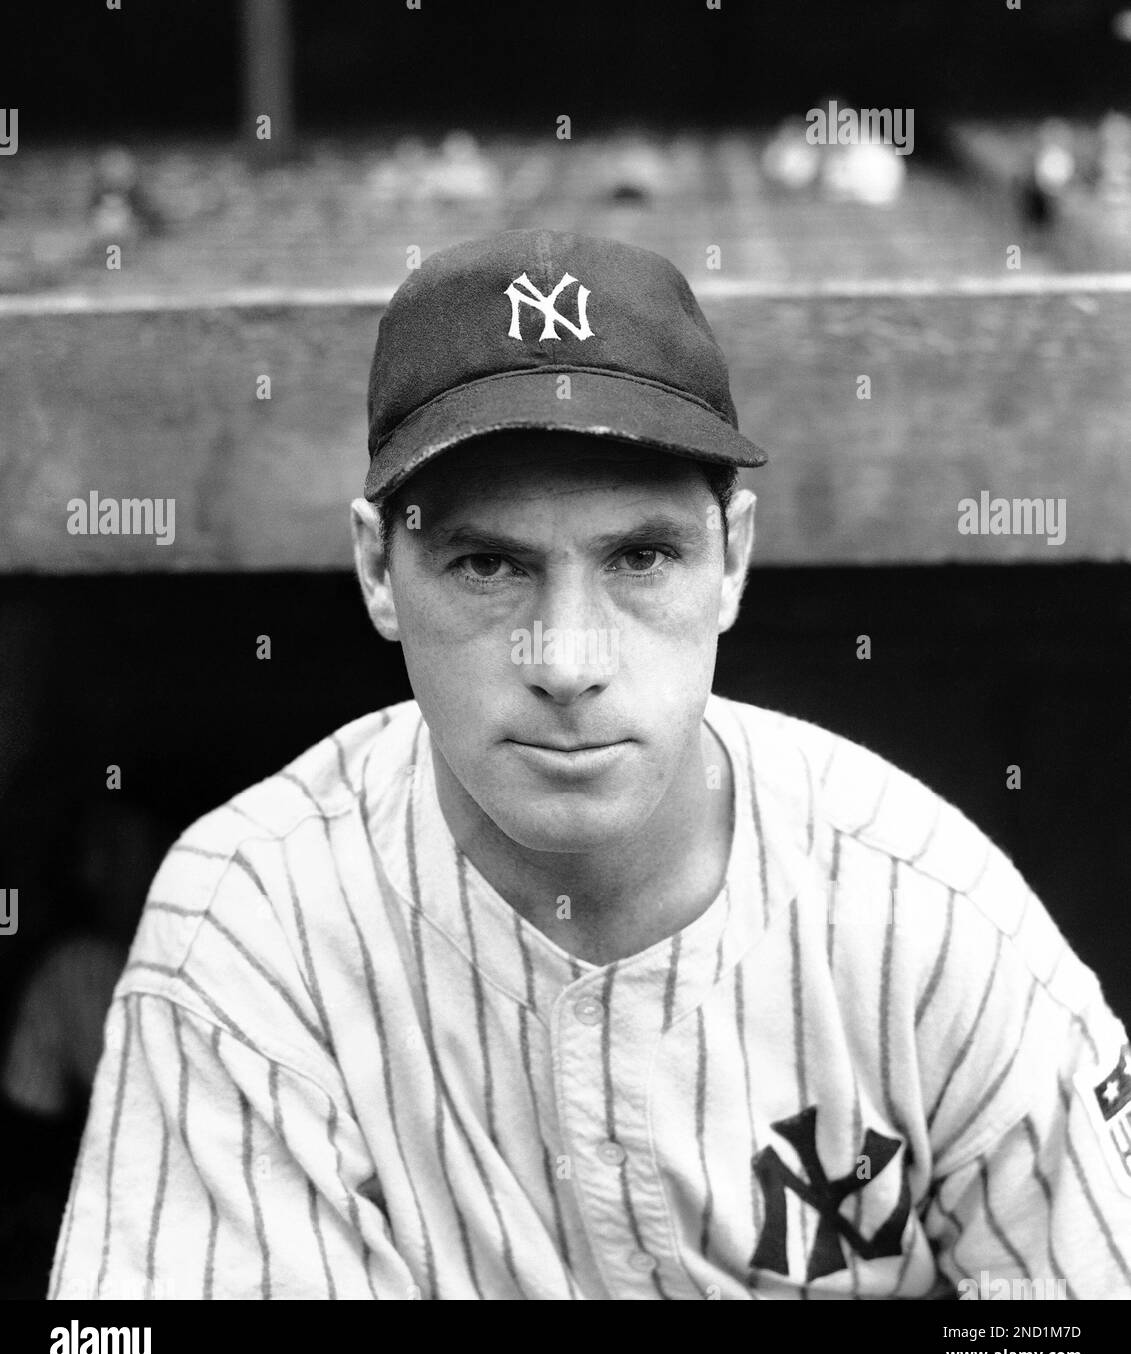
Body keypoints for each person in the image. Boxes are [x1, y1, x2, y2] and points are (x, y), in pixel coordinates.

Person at [49, 229, 1131, 1300]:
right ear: (380, 570)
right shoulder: (252, 923)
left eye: (641, 556)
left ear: (733, 561)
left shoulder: (926, 910)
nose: (566, 661)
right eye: (487, 563)